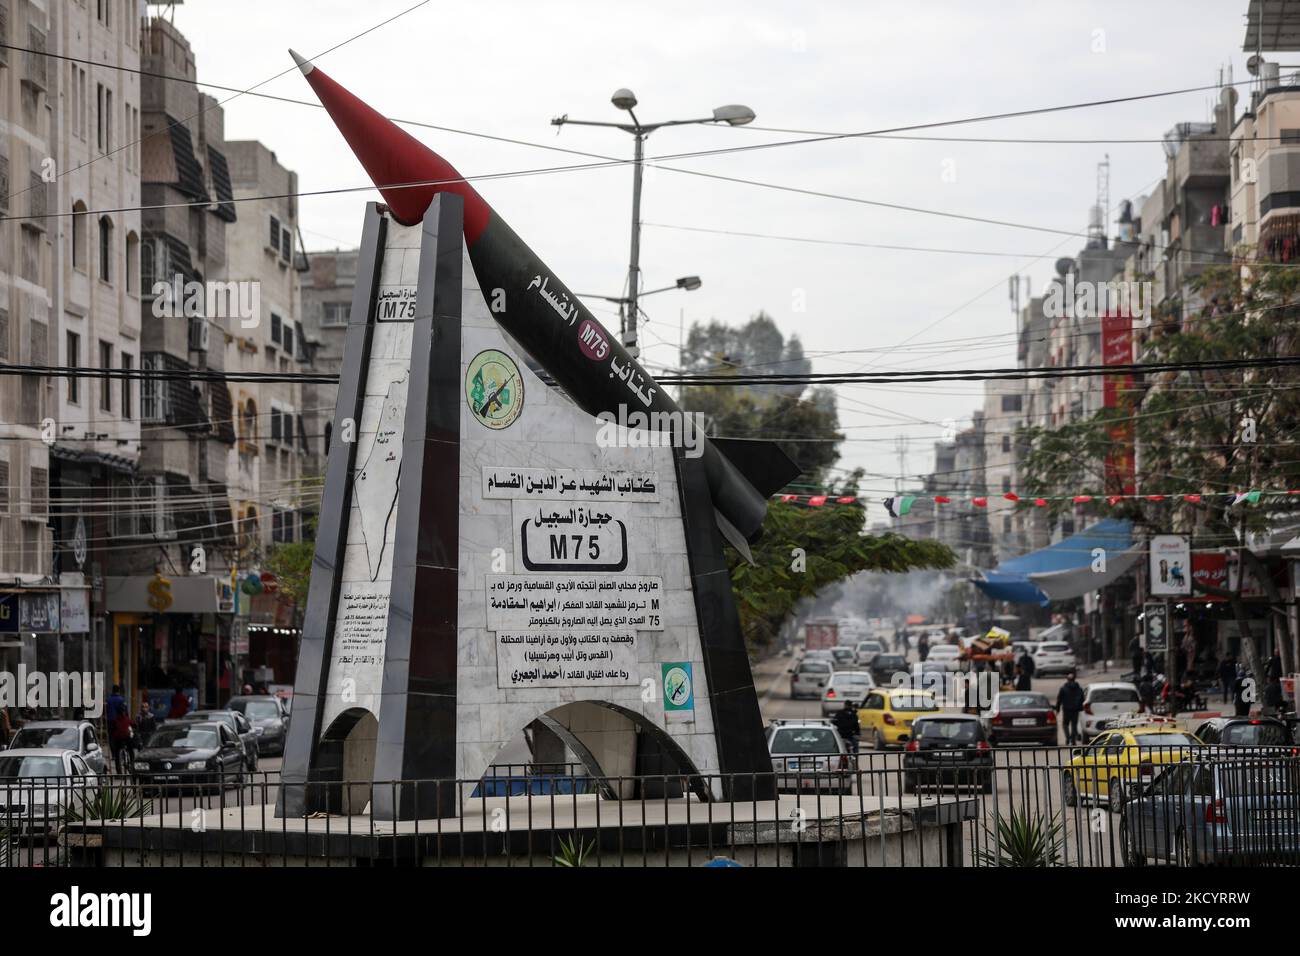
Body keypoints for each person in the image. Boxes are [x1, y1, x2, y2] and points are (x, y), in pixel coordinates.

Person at [105, 684, 132, 774]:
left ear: (112, 691)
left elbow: (105, 711)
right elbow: (126, 711)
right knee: (129, 744)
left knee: (112, 739)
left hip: (110, 722)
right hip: (120, 723)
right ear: (118, 691)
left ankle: (114, 754)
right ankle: (130, 761)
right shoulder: (121, 700)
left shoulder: (108, 700)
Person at [1055, 671, 1085, 746]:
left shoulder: (1063, 688)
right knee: (1074, 725)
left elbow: (1059, 700)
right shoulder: (1079, 689)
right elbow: (1082, 699)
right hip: (1075, 710)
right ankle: (1073, 740)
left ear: (1067, 679)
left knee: (1065, 724)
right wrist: (1080, 707)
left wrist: (1057, 709)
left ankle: (1068, 738)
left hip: (1066, 710)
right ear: (1074, 679)